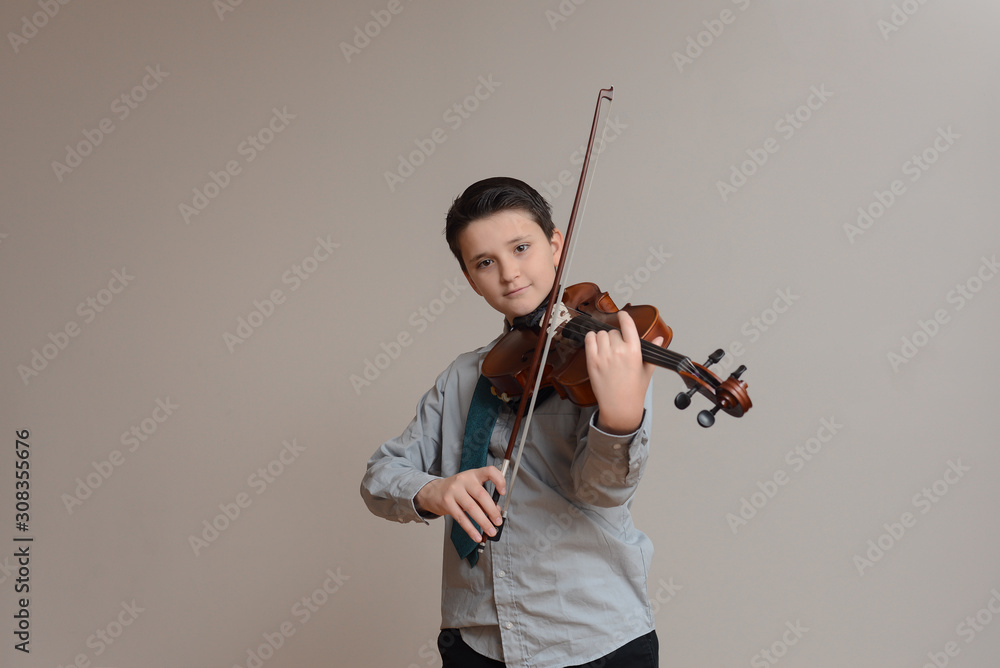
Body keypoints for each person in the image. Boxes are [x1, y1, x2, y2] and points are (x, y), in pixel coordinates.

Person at [361, 177, 661, 668]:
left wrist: (622, 417)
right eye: (485, 262)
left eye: (521, 248)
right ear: (469, 277)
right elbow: (379, 476)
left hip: (593, 639)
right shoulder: (463, 377)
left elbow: (601, 492)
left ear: (556, 245)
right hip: (475, 639)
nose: (509, 273)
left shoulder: (603, 358)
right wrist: (432, 491)